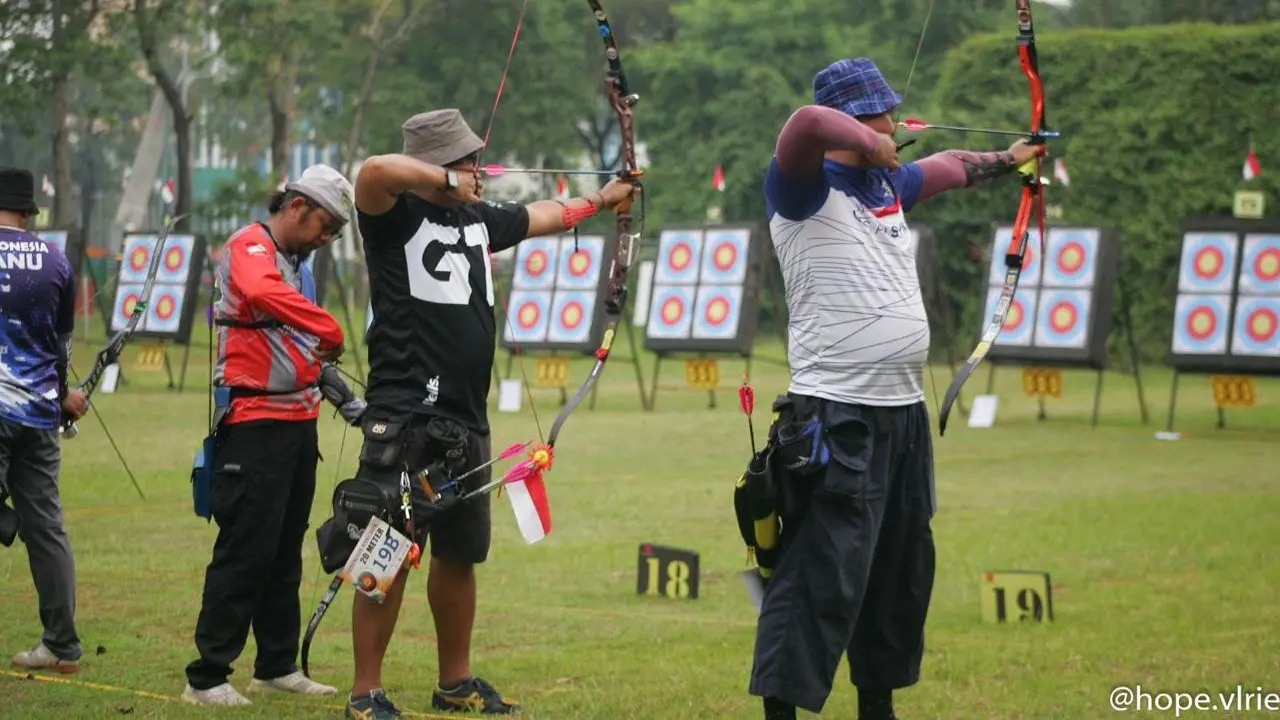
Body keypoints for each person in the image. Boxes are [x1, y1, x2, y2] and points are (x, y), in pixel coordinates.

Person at [746, 58, 1046, 720]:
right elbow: (802, 124)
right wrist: (863, 139)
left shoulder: (888, 186)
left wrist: (1012, 156)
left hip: (902, 417)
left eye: (890, 111)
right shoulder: (803, 188)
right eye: (880, 113)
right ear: (852, 125)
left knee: (898, 574)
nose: (894, 122)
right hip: (836, 413)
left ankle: (877, 708)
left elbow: (950, 166)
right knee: (820, 576)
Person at [335, 108, 636, 719]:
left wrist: (606, 200)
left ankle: (456, 682)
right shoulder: (392, 216)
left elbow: (546, 215)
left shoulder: (478, 219)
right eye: (465, 161)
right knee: (386, 551)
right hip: (407, 415)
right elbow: (373, 171)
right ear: (438, 167)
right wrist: (442, 183)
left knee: (460, 553)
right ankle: (366, 692)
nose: (477, 170)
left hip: (465, 421)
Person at [182, 164, 369, 706]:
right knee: (246, 548)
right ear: (295, 206)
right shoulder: (249, 248)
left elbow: (304, 352)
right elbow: (263, 295)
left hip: (298, 424)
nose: (326, 239)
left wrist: (351, 404)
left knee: (285, 550)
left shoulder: (301, 266)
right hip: (253, 425)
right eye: (324, 226)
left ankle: (277, 665)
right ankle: (208, 675)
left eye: (335, 232)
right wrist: (329, 326)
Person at [0, 166, 89, 675]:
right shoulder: (54, 258)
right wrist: (63, 399)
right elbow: (61, 347)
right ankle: (61, 645)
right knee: (48, 528)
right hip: (40, 413)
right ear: (28, 211)